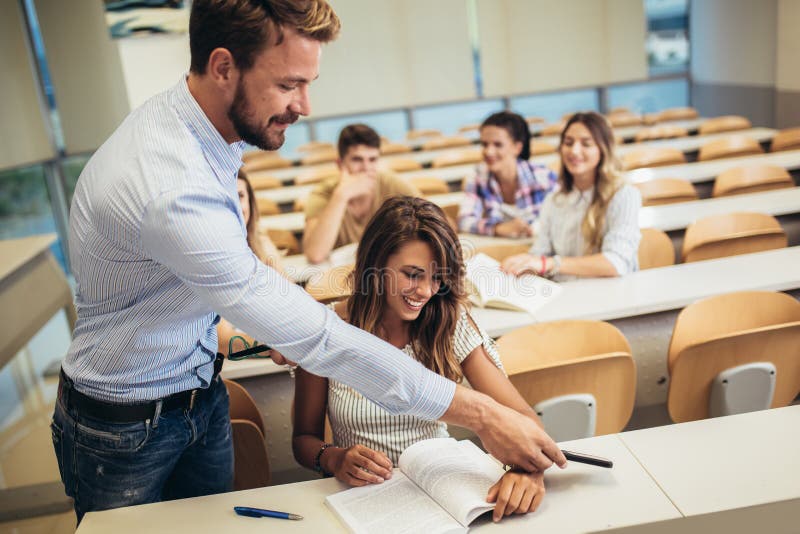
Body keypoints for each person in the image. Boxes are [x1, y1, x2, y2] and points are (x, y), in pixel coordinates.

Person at [53, 0, 564, 523]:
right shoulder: (171, 183)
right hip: (125, 425)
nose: (305, 106)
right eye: (289, 84)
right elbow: (320, 340)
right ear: (223, 67)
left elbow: (207, 279)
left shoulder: (202, 132)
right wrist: (482, 415)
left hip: (199, 393)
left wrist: (271, 319)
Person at [293, 196, 547, 522]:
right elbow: (304, 440)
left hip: (442, 492)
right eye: (412, 275)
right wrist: (334, 458)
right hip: (366, 500)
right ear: (376, 265)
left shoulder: (449, 322)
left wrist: (527, 471)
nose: (426, 291)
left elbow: (523, 418)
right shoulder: (326, 330)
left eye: (437, 277)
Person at [501, 112, 641, 281]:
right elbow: (540, 254)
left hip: (612, 294)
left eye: (586, 144)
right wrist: (522, 264)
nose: (574, 151)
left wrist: (551, 263)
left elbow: (616, 263)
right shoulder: (553, 201)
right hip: (566, 293)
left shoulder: (624, 195)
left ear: (603, 150)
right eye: (568, 143)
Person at [302, 123, 420, 263]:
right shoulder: (322, 194)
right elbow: (315, 255)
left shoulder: (392, 184)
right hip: (341, 273)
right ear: (340, 164)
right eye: (357, 160)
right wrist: (341, 196)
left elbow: (432, 223)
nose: (366, 168)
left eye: (372, 159)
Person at [217, 170, 286, 355]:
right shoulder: (201, 260)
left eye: (240, 196)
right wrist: (285, 345)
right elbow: (224, 342)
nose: (235, 205)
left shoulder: (261, 242)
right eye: (225, 197)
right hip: (237, 364)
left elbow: (290, 301)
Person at [458, 111, 557, 238]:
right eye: (485, 144)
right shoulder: (478, 178)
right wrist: (497, 228)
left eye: (498, 145)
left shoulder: (544, 177)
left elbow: (565, 217)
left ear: (517, 148)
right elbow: (464, 221)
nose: (489, 152)